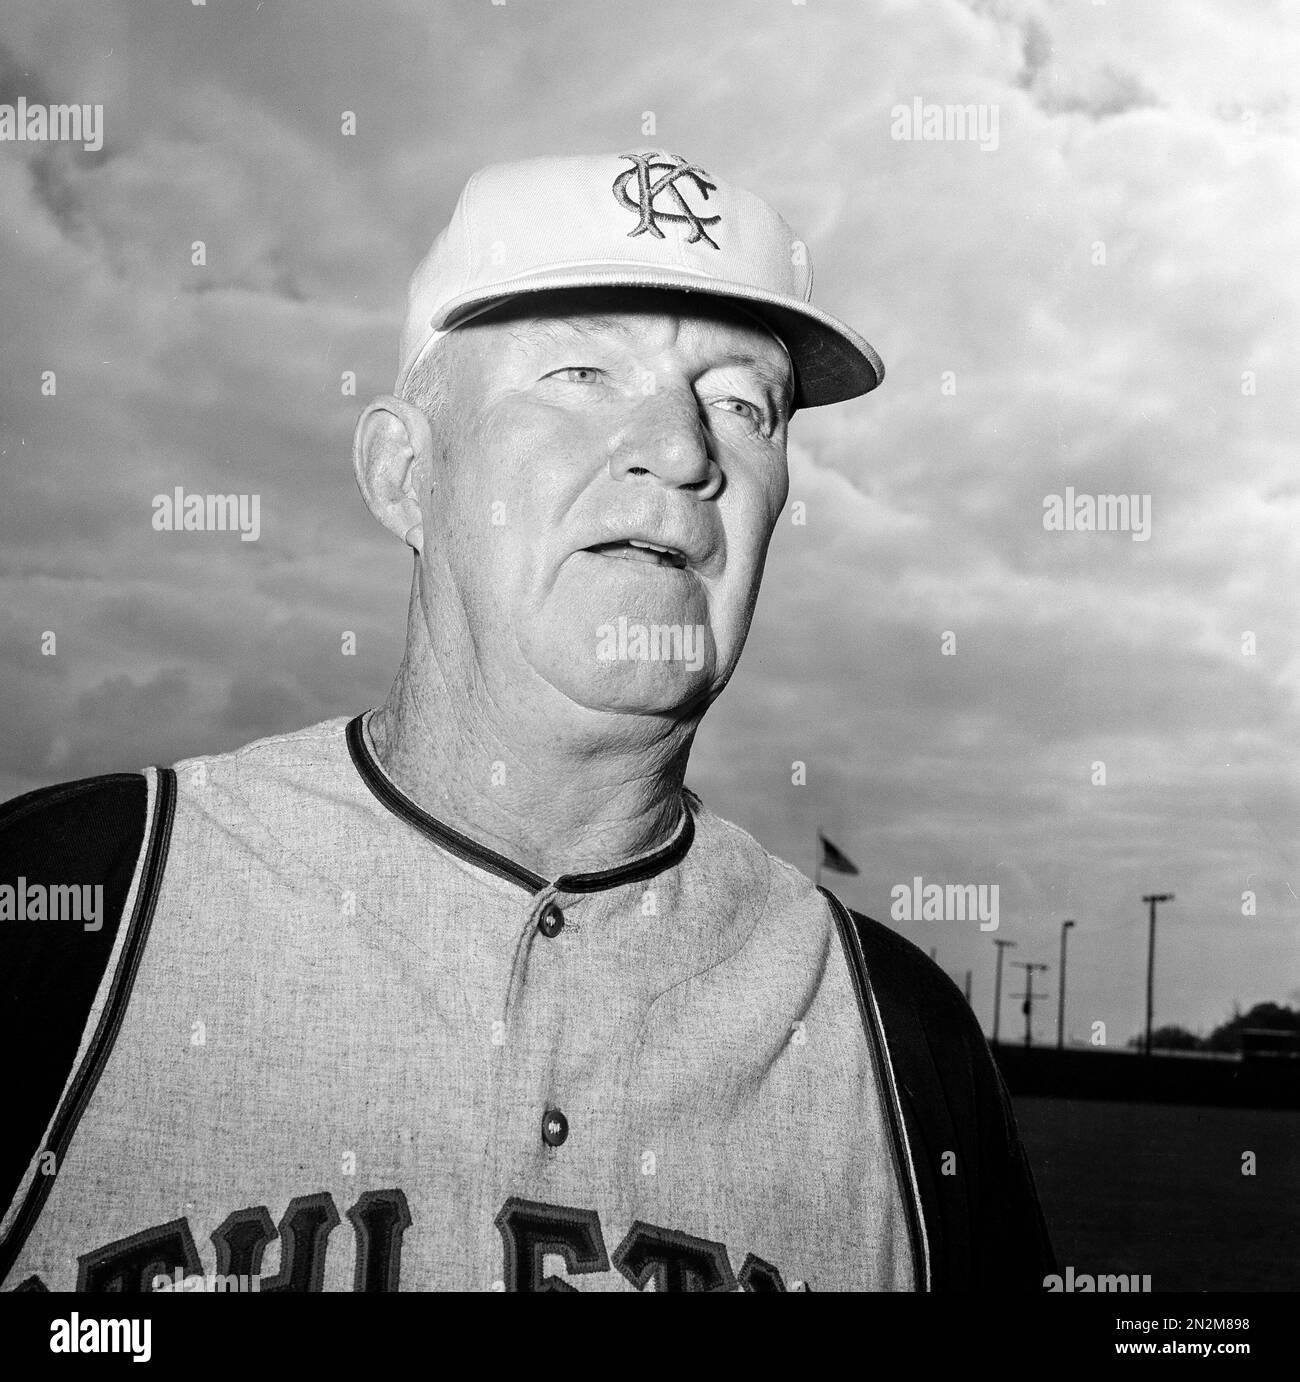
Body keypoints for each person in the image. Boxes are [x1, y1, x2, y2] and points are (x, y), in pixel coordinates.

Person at [0, 150, 1054, 1292]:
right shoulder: (72, 904)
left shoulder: (904, 1041)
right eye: (581, 372)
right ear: (404, 472)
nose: (684, 449)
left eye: (743, 403)